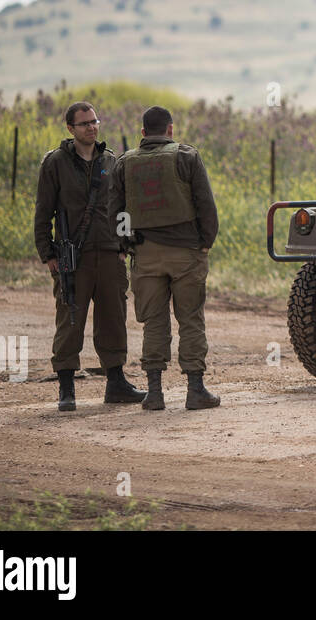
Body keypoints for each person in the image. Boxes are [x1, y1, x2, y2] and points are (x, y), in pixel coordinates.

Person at [34, 102, 146, 411]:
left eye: (94, 121)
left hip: (110, 254)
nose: (91, 127)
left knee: (113, 318)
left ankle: (116, 383)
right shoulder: (55, 163)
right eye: (84, 123)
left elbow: (124, 208)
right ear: (70, 128)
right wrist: (47, 254)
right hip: (73, 256)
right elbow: (43, 212)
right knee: (70, 319)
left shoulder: (111, 161)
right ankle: (67, 388)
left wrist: (124, 246)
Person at [109, 105, 220, 410]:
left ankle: (155, 393)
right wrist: (205, 243)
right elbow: (205, 205)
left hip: (145, 255)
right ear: (170, 130)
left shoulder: (124, 163)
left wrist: (125, 245)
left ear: (143, 133)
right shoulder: (186, 157)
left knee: (154, 323)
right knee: (191, 320)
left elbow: (116, 212)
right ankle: (195, 390)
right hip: (187, 253)